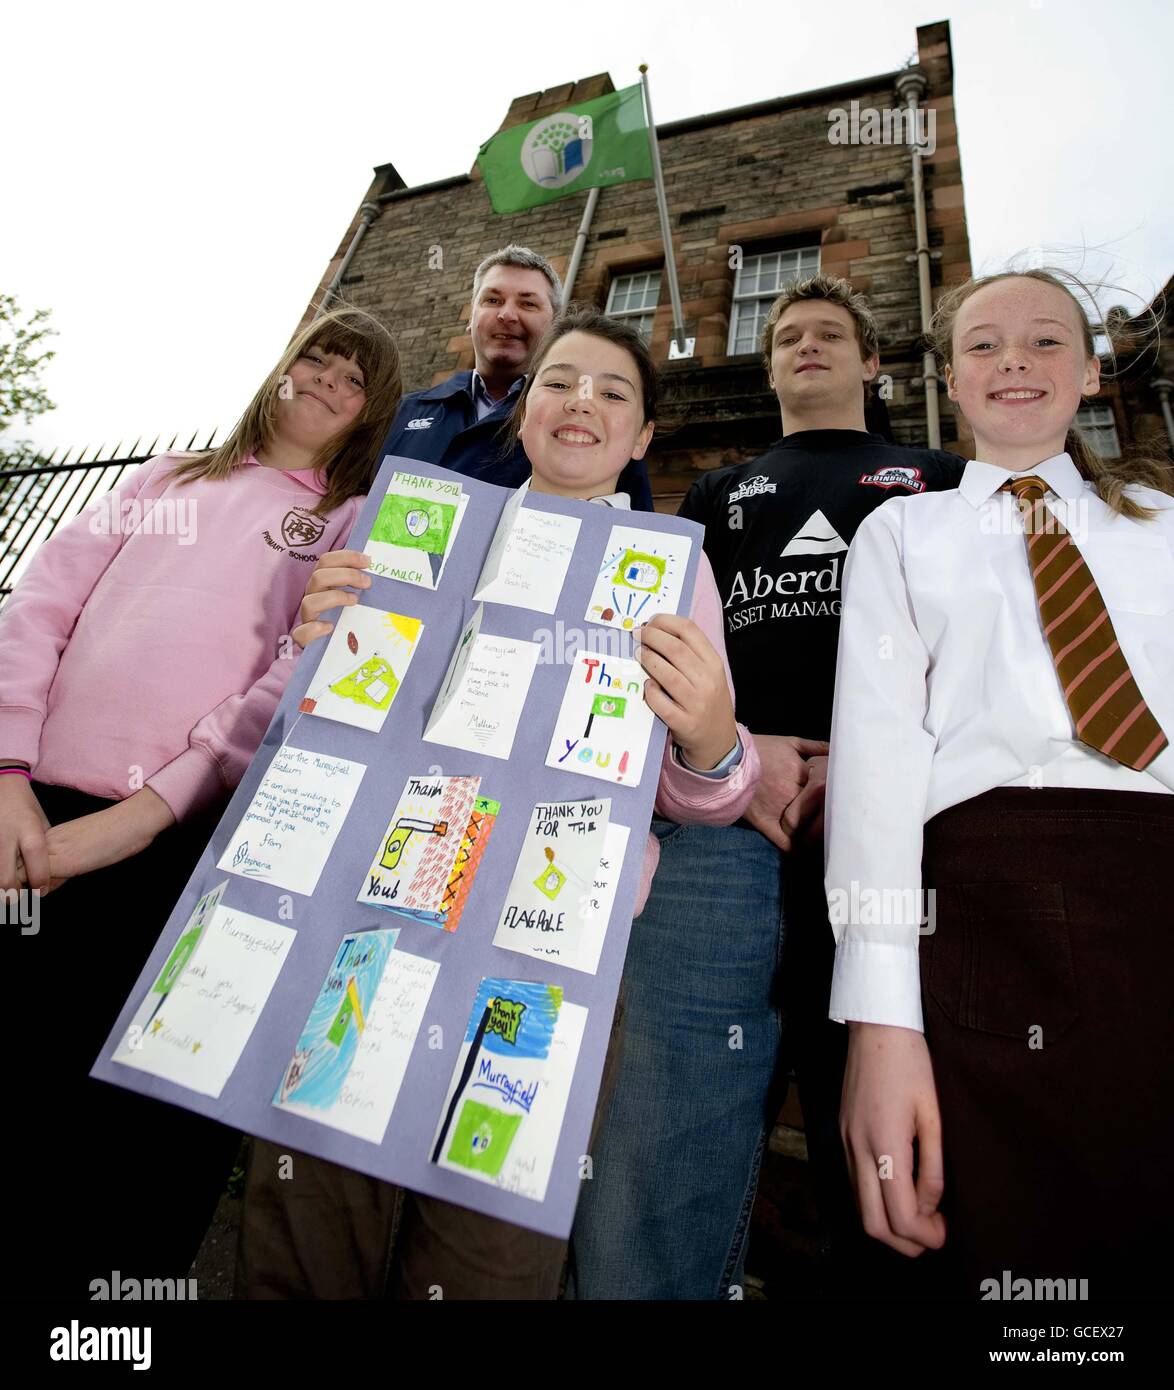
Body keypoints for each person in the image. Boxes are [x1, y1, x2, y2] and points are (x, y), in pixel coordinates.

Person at [236, 306, 760, 1299]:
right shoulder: (415, 532)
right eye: (559, 381)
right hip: (370, 922)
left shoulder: (674, 570)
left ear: (643, 437)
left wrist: (709, 736)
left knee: (487, 1259)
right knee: (308, 1231)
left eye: (615, 393)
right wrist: (318, 642)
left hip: (540, 958)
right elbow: (315, 724)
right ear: (521, 409)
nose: (581, 403)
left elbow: (709, 794)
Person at [567, 274, 964, 1299]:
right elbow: (664, 642)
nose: (806, 346)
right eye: (786, 334)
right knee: (658, 1128)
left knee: (883, 1134)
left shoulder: (938, 475)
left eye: (832, 333)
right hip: (723, 826)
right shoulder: (717, 493)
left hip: (896, 836)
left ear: (874, 363)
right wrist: (736, 767)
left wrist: (879, 775)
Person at [0, 306, 401, 1300]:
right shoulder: (163, 478)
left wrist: (147, 815)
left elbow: (295, 673)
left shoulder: (349, 523)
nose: (325, 384)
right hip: (31, 818)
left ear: (368, 418)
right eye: (316, 359)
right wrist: (8, 775)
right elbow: (41, 604)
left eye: (354, 382)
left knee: (139, 1145)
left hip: (188, 852)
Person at [827, 268, 1174, 1299]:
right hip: (991, 911)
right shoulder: (900, 534)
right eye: (983, 343)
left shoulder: (1161, 525)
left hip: (1157, 874)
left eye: (1044, 340)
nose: (1014, 360)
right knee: (1029, 1265)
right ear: (946, 378)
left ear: (1091, 372)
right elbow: (879, 773)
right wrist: (881, 1024)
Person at [379, 244, 654, 510]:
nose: (507, 314)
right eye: (493, 300)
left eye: (528, 304)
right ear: (471, 318)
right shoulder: (400, 413)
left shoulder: (598, 434)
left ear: (554, 324)